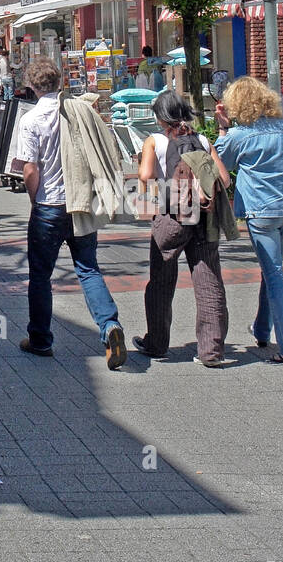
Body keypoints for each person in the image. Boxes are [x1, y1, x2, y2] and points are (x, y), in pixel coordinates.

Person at [15, 55, 127, 368]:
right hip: (80, 202)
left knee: (40, 276)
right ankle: (110, 326)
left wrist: (34, 199)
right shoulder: (78, 111)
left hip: (48, 207)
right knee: (88, 268)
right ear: (60, 82)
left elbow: (30, 168)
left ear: (31, 86)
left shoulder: (31, 120)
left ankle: (40, 340)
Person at [133, 91, 233, 368]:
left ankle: (156, 343)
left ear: (160, 116)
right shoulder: (202, 140)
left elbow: (145, 176)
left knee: (161, 281)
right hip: (202, 218)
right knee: (209, 280)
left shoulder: (156, 140)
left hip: (170, 217)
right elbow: (223, 178)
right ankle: (211, 351)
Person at [214, 77, 283, 363]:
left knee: (275, 275)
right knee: (273, 272)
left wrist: (222, 129)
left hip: (261, 211)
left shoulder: (239, 136)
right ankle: (262, 329)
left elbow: (220, 167)